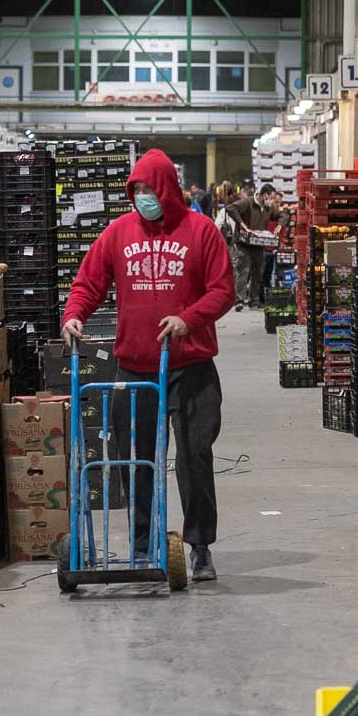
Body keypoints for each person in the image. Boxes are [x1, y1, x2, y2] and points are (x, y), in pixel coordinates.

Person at [61, 148, 235, 583]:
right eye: (135, 190)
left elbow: (223, 290)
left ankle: (199, 546)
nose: (142, 197)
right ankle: (143, 544)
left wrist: (188, 318)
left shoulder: (202, 231)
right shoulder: (117, 234)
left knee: (194, 455)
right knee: (135, 459)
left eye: (148, 189)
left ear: (167, 190)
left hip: (190, 368)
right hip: (135, 368)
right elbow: (89, 282)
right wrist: (74, 314)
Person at [226, 183, 280, 310]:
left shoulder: (268, 208)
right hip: (243, 244)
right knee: (243, 271)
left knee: (258, 272)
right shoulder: (247, 203)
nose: (272, 201)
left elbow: (282, 215)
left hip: (258, 245)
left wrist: (280, 225)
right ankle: (239, 300)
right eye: (271, 198)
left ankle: (254, 300)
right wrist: (241, 224)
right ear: (265, 196)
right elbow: (230, 208)